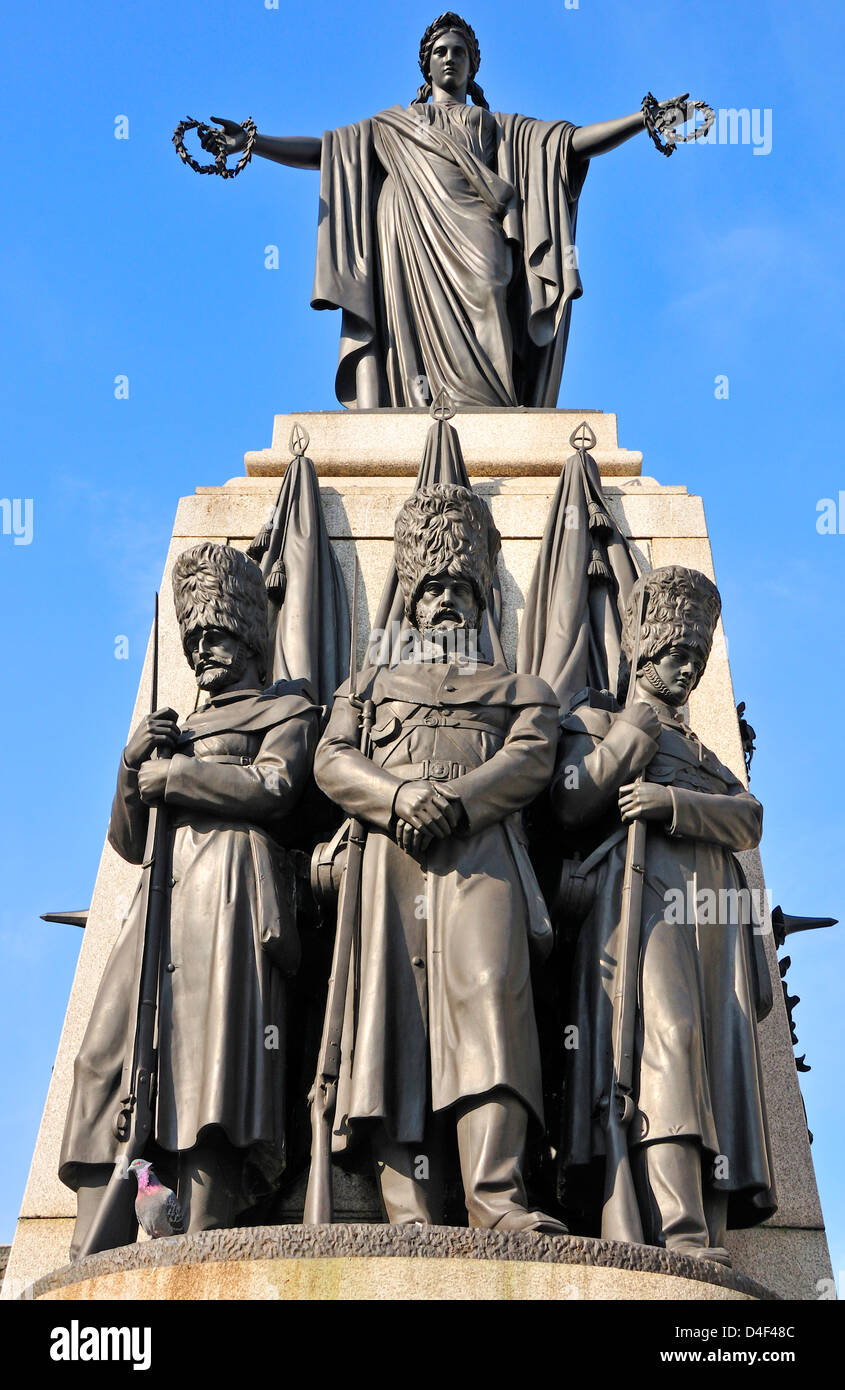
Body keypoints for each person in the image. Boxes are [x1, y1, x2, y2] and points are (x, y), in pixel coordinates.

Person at [313, 483, 567, 1232]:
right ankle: (408, 1211)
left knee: (492, 1001)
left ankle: (496, 1200)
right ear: (412, 604)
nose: (446, 601)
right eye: (432, 590)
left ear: (481, 596)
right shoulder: (364, 687)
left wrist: (455, 801)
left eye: (460, 587)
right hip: (387, 866)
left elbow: (530, 759)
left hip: (483, 858)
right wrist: (396, 799)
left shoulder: (523, 688)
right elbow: (330, 760)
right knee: (392, 1020)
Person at [203, 13, 680, 408]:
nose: (450, 58)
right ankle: (419, 411)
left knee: (492, 290)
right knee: (407, 330)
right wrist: (254, 142)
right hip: (407, 233)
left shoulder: (498, 126)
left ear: (473, 67)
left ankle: (492, 409)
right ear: (426, 67)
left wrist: (644, 118)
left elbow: (567, 144)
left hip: (478, 230)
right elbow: (328, 153)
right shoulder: (394, 125)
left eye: (459, 52)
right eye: (441, 52)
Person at [59, 543, 321, 1255]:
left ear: (246, 638)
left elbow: (275, 788)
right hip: (159, 903)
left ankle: (206, 1227)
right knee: (105, 1058)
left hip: (230, 894)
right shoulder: (173, 730)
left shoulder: (287, 710)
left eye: (216, 635)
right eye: (193, 638)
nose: (203, 649)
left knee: (213, 1063)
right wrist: (130, 762)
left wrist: (174, 776)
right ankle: (98, 1235)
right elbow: (129, 840)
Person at [550, 566, 776, 1263]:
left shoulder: (706, 753)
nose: (684, 670)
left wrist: (671, 805)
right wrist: (631, 738)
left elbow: (748, 819)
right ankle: (671, 1230)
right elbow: (567, 804)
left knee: (710, 1062)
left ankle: (702, 1229)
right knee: (663, 1047)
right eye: (672, 655)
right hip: (637, 903)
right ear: (640, 651)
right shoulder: (595, 721)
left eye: (694, 659)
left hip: (710, 918)